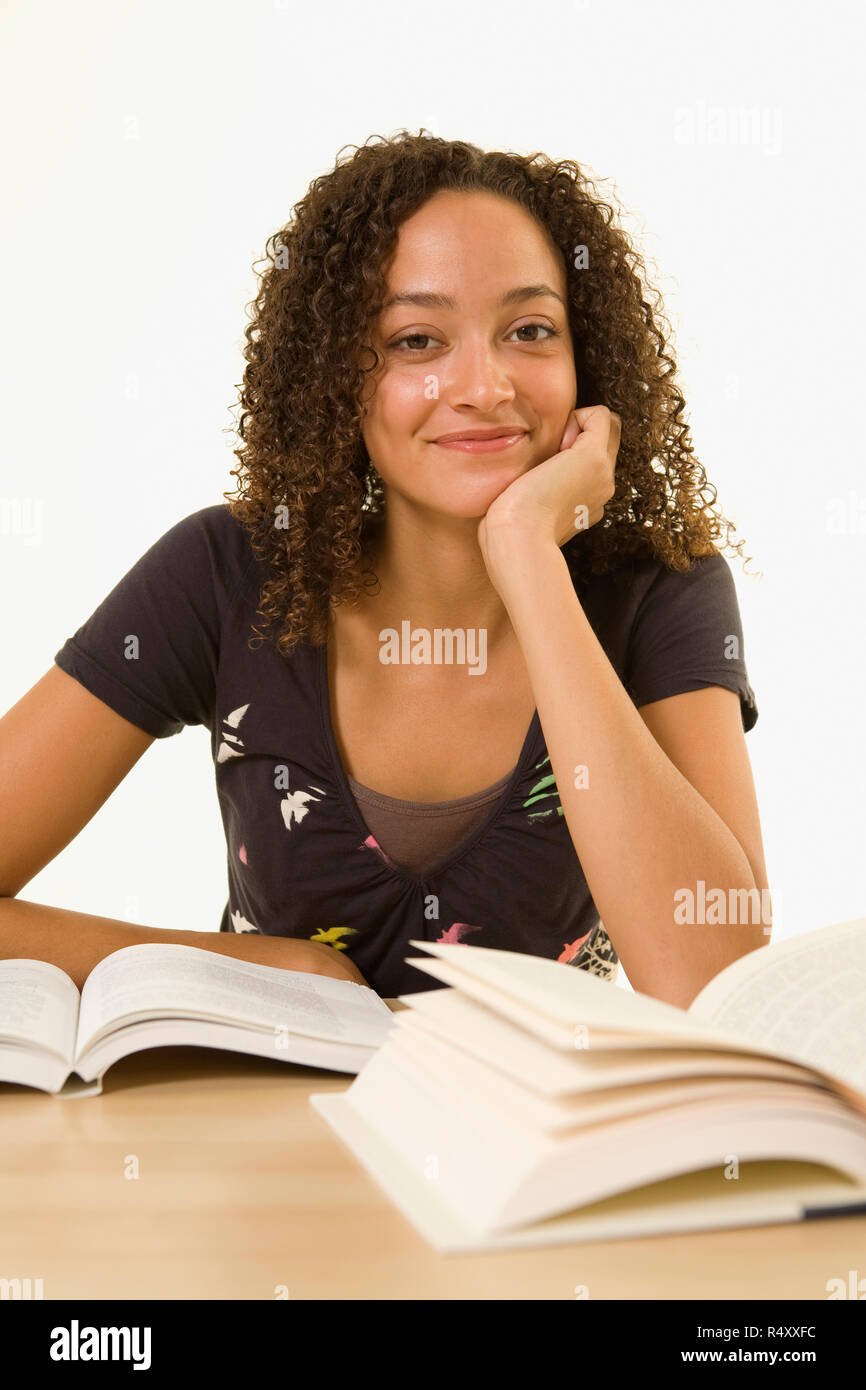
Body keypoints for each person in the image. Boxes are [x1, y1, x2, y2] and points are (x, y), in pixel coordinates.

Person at [0, 131, 770, 1006]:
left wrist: (525, 550)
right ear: (339, 377)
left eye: (529, 330)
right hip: (252, 1139)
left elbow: (719, 985)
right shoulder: (225, 574)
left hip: (541, 1138)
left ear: (584, 356)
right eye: (415, 341)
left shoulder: (660, 589)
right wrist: (250, 967)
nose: (483, 385)